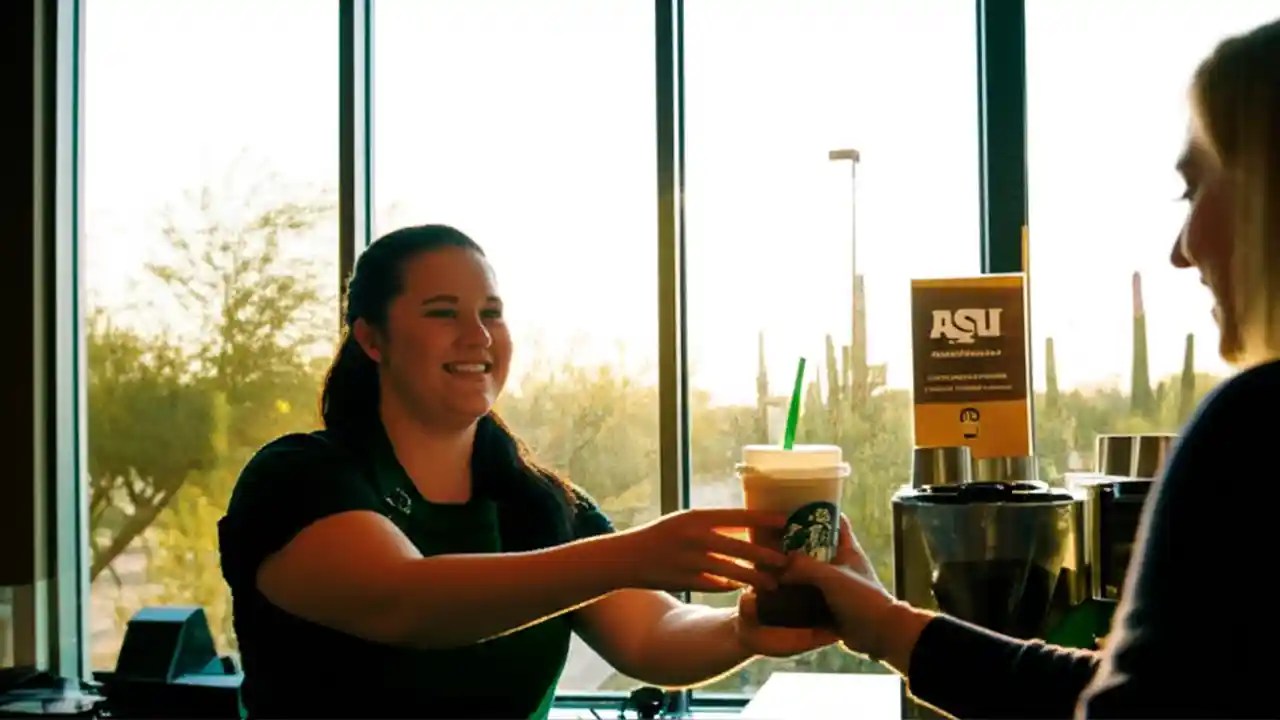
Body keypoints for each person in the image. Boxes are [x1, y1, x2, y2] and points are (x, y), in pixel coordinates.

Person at [781, 17, 1280, 720]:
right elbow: (1149, 690)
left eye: (1194, 190)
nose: (1182, 247)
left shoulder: (1254, 427)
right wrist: (886, 625)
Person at [216, 224, 837, 719]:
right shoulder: (297, 479)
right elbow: (404, 602)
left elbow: (653, 632)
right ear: (372, 340)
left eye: (491, 311)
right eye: (442, 312)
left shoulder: (539, 502)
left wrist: (744, 631)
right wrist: (629, 555)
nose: (477, 335)